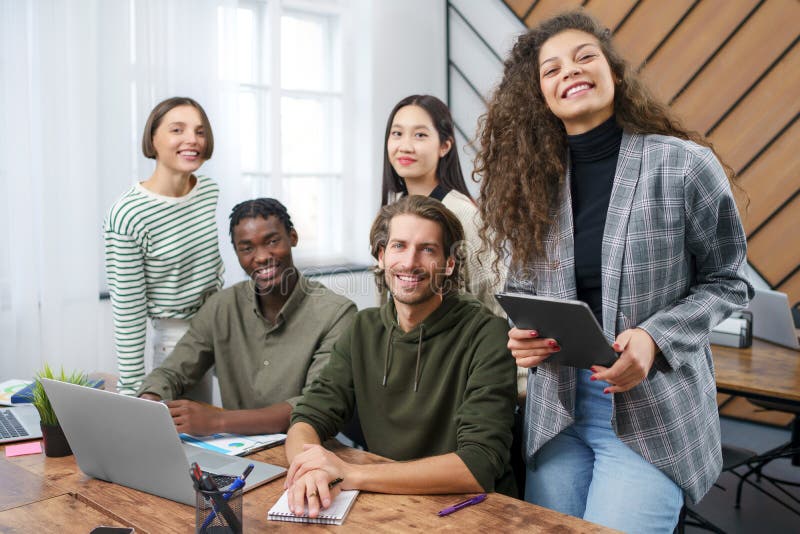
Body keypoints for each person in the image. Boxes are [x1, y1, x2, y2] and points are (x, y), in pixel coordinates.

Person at [473, 11, 752, 533]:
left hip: (654, 412)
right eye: (551, 70)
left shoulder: (682, 164)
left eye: (584, 58)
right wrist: (524, 337)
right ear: (540, 95)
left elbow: (729, 281)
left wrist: (654, 337)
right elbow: (526, 289)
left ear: (614, 73)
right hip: (556, 412)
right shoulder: (533, 184)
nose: (569, 73)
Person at [283, 195, 517, 518]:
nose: (409, 262)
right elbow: (307, 417)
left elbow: (477, 465)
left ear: (449, 263)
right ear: (381, 256)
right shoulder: (362, 329)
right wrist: (308, 468)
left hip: (468, 512)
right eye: (399, 246)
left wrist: (352, 474)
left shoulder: (487, 334)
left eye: (428, 249)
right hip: (389, 506)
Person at [138, 199, 356, 435]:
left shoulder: (336, 314)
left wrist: (217, 421)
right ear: (237, 253)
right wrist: (150, 399)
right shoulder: (222, 306)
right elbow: (173, 371)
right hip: (236, 447)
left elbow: (313, 405)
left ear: (292, 237)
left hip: (305, 450)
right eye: (247, 248)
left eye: (272, 241)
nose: (261, 257)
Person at [104, 97, 225, 397]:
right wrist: (131, 392)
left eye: (199, 131)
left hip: (219, 329)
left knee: (220, 433)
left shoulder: (207, 191)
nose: (192, 140)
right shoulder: (128, 214)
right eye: (177, 130)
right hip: (175, 342)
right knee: (179, 437)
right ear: (153, 139)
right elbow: (128, 311)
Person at [381, 95, 504, 315]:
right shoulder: (391, 212)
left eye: (420, 135)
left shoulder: (464, 215)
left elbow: (495, 305)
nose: (405, 146)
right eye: (397, 133)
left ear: (444, 146)